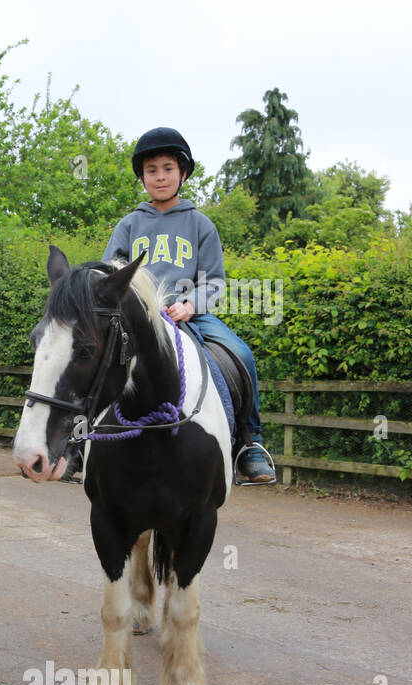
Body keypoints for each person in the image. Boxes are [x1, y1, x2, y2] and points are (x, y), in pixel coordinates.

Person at [83, 126, 275, 485]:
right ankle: (83, 437)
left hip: (190, 314)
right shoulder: (130, 224)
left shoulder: (200, 224)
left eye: (168, 168)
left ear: (183, 172)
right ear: (142, 176)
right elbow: (111, 274)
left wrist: (190, 305)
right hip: (138, 317)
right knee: (94, 353)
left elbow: (214, 279)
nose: (160, 176)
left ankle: (250, 443)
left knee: (241, 353)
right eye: (152, 170)